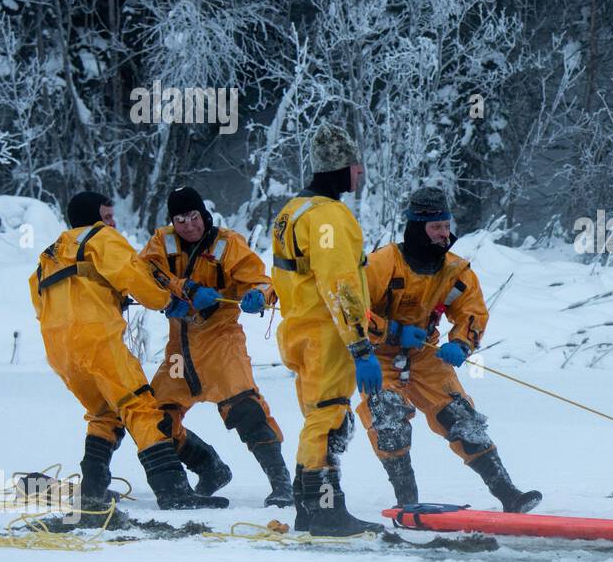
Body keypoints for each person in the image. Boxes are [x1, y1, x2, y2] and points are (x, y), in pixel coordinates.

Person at [29, 191, 228, 510]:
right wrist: (167, 301)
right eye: (107, 217)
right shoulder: (101, 238)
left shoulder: (49, 255)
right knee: (140, 406)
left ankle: (93, 489)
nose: (113, 223)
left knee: (104, 412)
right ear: (93, 219)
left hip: (60, 352)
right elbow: (132, 274)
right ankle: (173, 490)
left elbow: (40, 302)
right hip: (97, 341)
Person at [357, 186, 541, 513]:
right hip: (378, 356)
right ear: (417, 228)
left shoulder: (454, 269)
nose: (444, 233)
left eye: (446, 225)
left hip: (426, 353)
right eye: (436, 227)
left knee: (460, 414)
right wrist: (392, 331)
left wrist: (461, 342)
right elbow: (352, 309)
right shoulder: (382, 263)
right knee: (388, 414)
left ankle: (508, 493)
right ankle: (407, 499)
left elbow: (472, 311)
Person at [139, 186, 291, 507]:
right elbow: (144, 274)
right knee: (155, 418)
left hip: (221, 342)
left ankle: (281, 483)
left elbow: (262, 281)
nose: (189, 225)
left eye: (194, 216)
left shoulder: (228, 244)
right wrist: (179, 295)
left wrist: (259, 296)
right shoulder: (161, 243)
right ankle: (210, 467)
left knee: (246, 408)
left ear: (203, 213)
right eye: (180, 220)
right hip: (179, 351)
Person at [270, 124, 384, 536]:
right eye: (356, 167)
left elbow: (287, 274)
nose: (360, 174)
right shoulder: (329, 217)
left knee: (318, 418)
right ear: (340, 168)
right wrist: (360, 345)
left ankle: (309, 509)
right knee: (329, 417)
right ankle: (325, 511)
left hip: (298, 329)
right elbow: (340, 285)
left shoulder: (291, 212)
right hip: (327, 334)